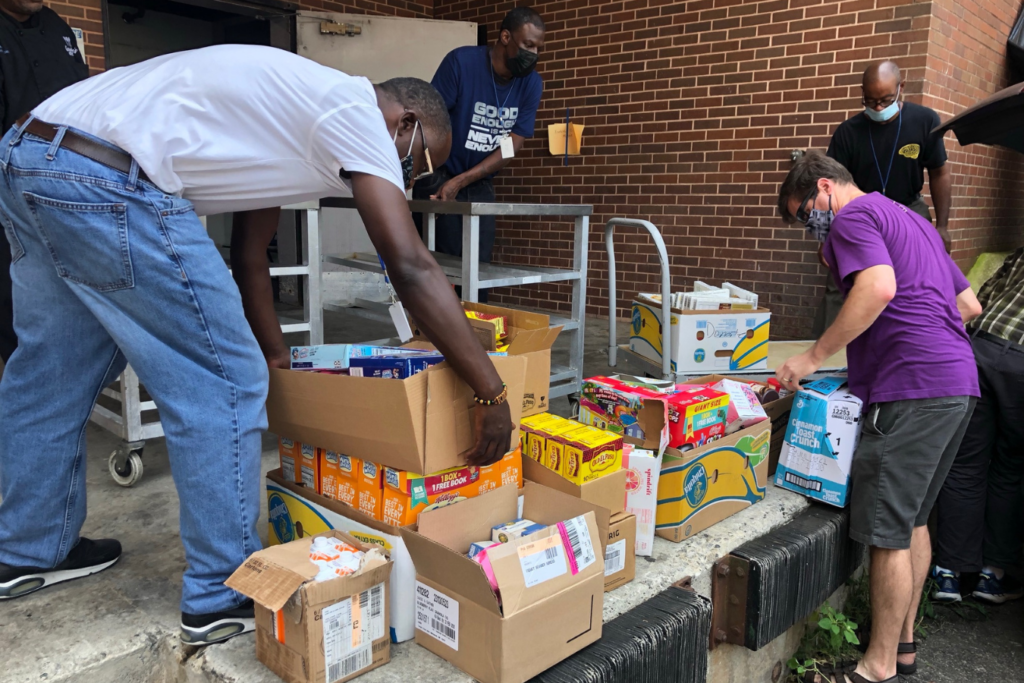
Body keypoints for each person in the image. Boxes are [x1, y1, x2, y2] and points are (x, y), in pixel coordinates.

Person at [0, 45, 514, 647]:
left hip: (28, 156)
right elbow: (411, 265)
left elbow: (250, 256)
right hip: (107, 173)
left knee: (50, 373)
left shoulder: (287, 118)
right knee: (222, 383)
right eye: (420, 160)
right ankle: (222, 593)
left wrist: (273, 356)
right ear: (404, 123)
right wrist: (490, 389)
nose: (411, 177)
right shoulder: (353, 109)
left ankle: (26, 548)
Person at [775, 151, 980, 683]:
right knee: (913, 521)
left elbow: (879, 288)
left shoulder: (854, 217)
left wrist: (813, 357)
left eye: (805, 214)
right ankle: (903, 648)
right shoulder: (914, 220)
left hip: (909, 390)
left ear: (826, 186)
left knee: (886, 534)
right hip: (956, 384)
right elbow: (967, 306)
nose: (810, 227)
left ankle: (876, 667)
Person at [413, 6, 545, 301]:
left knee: (478, 269)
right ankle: (429, 335)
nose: (533, 54)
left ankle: (473, 334)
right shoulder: (462, 63)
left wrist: (463, 181)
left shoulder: (531, 84)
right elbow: (429, 121)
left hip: (479, 180)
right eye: (528, 45)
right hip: (439, 175)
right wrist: (423, 173)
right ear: (505, 36)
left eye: (538, 48)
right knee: (438, 266)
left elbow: (514, 142)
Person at [815, 60, 953, 334]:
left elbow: (940, 173)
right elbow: (826, 187)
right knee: (840, 283)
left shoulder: (925, 121)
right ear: (862, 94)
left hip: (909, 208)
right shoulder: (847, 132)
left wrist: (943, 226)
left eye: (886, 100)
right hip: (860, 216)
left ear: (901, 88)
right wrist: (824, 235)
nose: (878, 107)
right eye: (871, 101)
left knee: (915, 282)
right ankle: (824, 358)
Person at [932, 247, 1024, 605]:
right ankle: (992, 575)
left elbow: (980, 299)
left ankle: (949, 574)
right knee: (1010, 470)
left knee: (964, 463)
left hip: (981, 351)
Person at [0, 0, 89, 365]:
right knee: (12, 311)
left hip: (67, 193)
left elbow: (85, 102)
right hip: (6, 196)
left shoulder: (58, 27)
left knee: (65, 313)